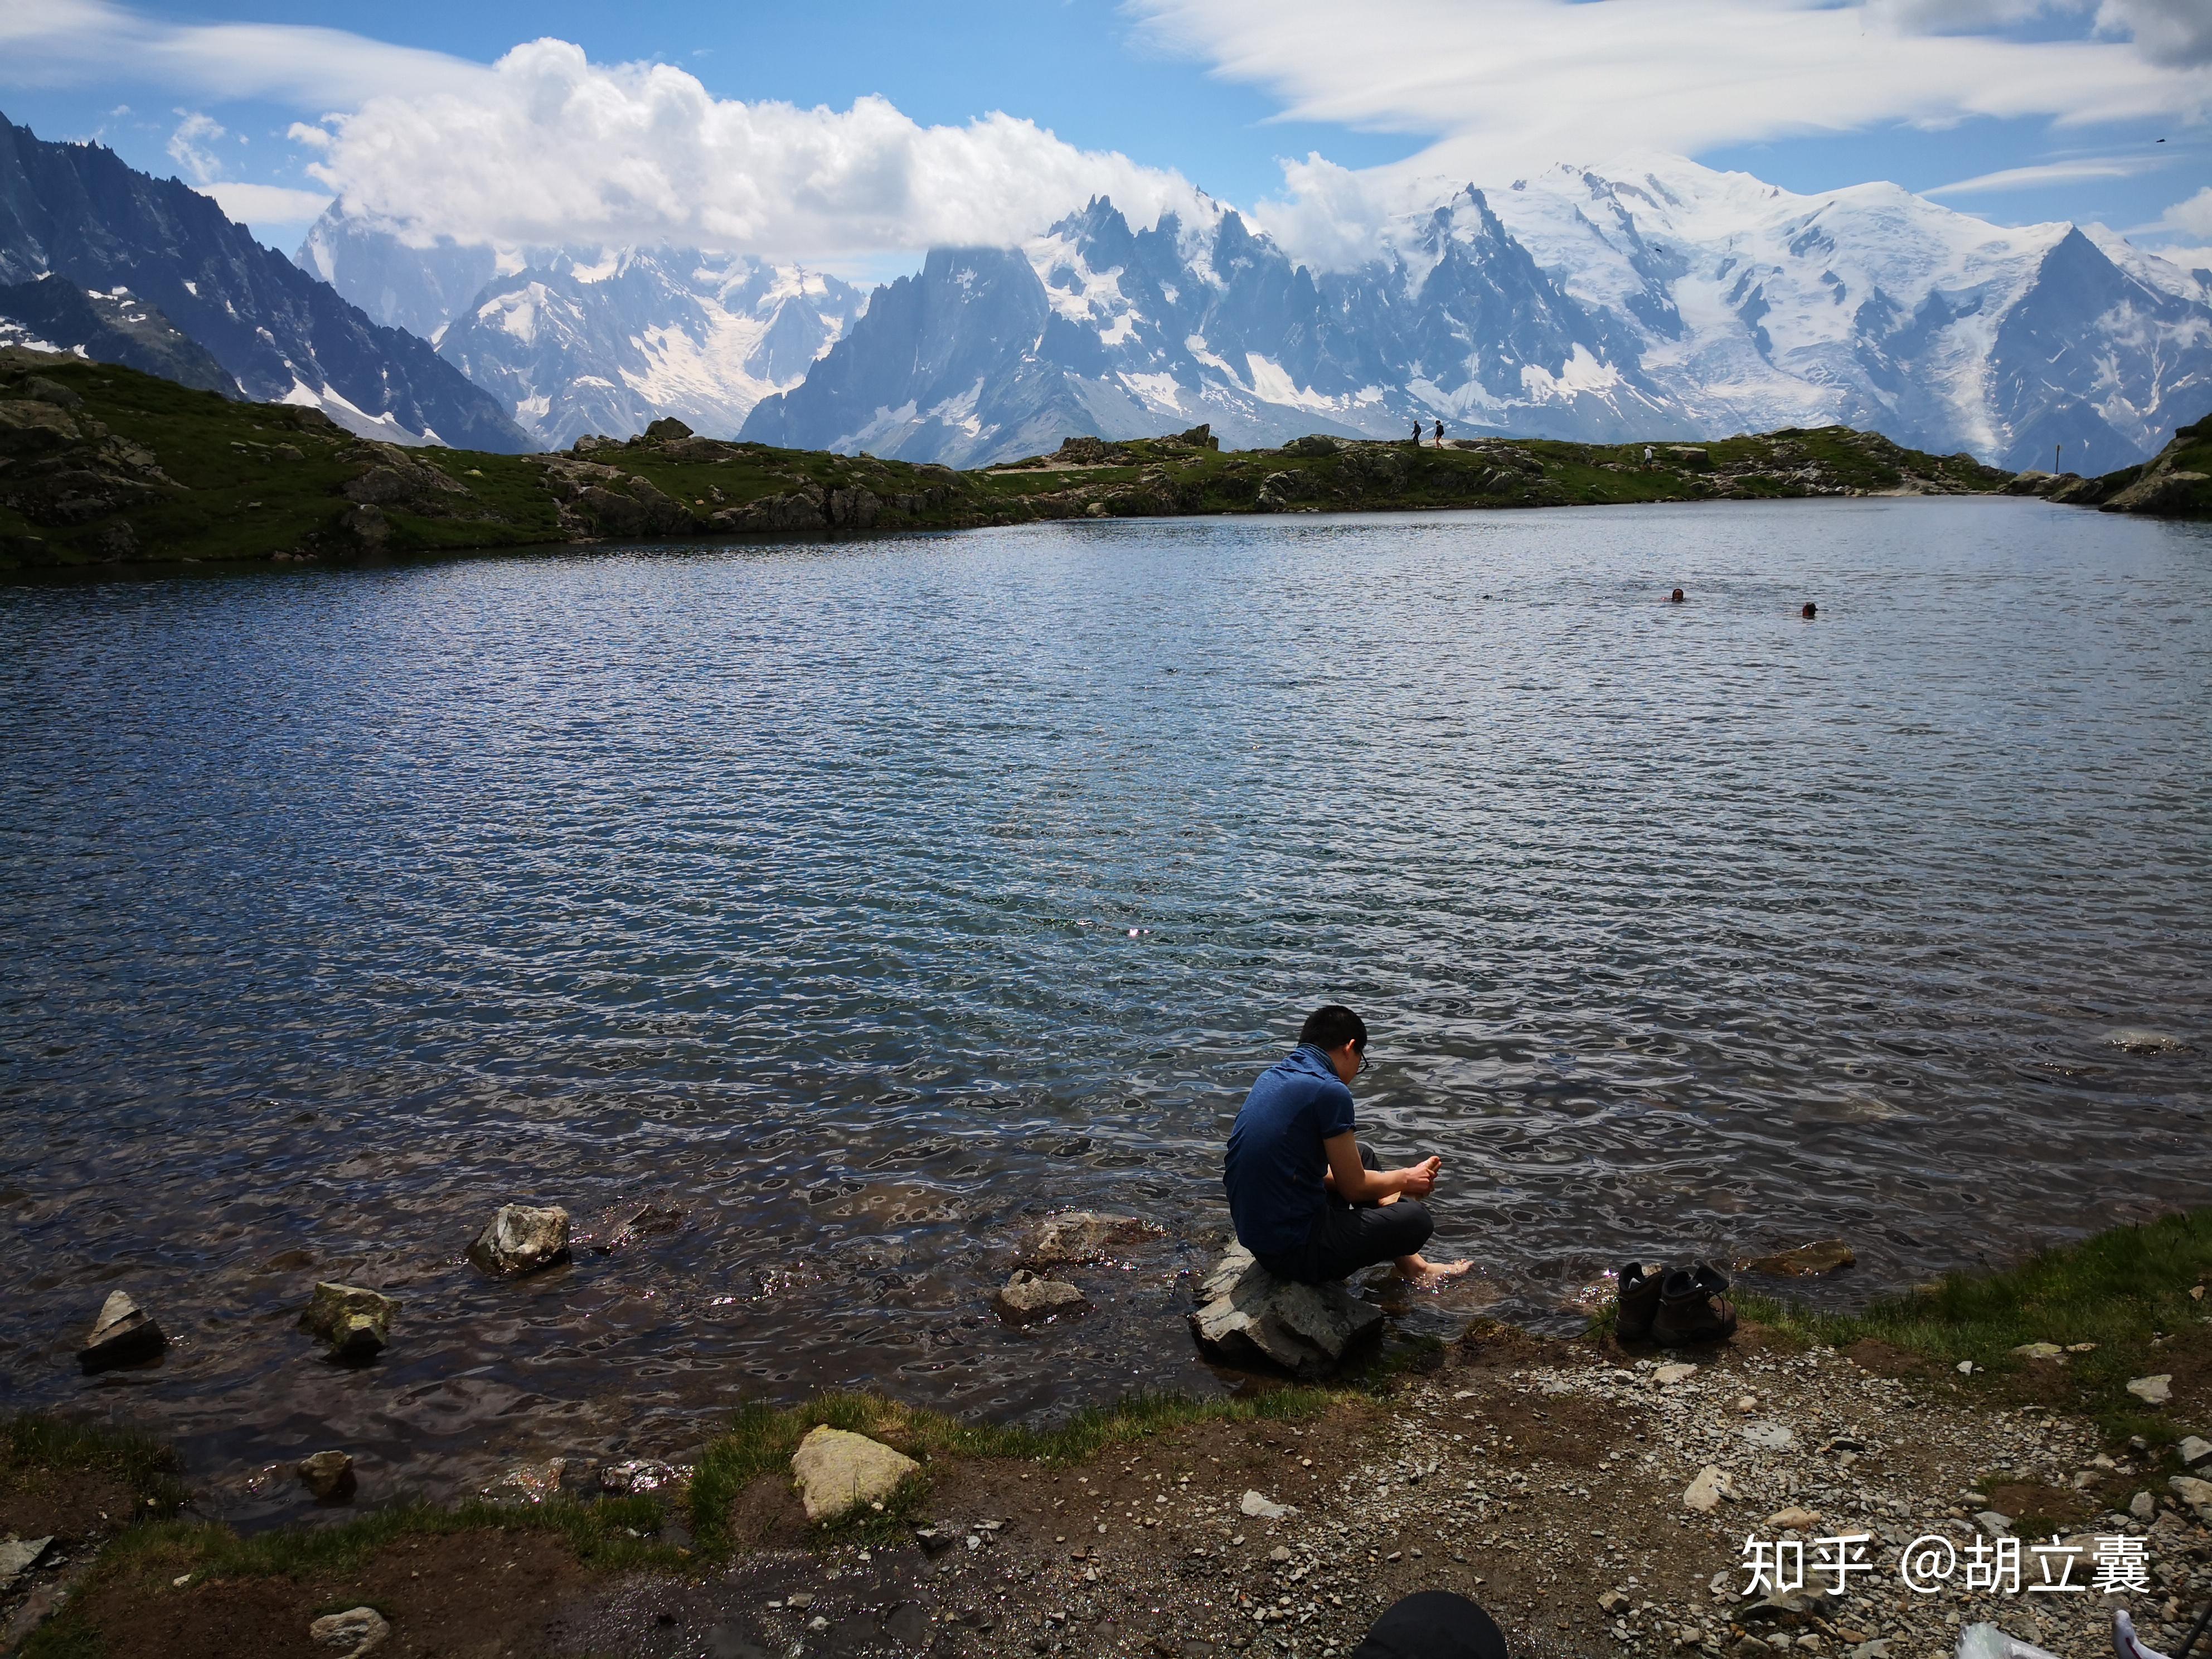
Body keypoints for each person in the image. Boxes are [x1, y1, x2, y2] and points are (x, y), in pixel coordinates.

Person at [1224, 1005, 1471, 1285]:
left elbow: (1295, 1168)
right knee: (1416, 1220)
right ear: (1350, 1047)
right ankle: (1411, 1255)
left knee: (1361, 1154)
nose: (1357, 1070)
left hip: (1261, 1239)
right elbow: (1353, 1188)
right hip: (1295, 1252)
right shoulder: (1330, 1090)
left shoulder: (1273, 1077)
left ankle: (1414, 1266)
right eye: (1360, 1060)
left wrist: (1389, 1188)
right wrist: (1407, 1180)